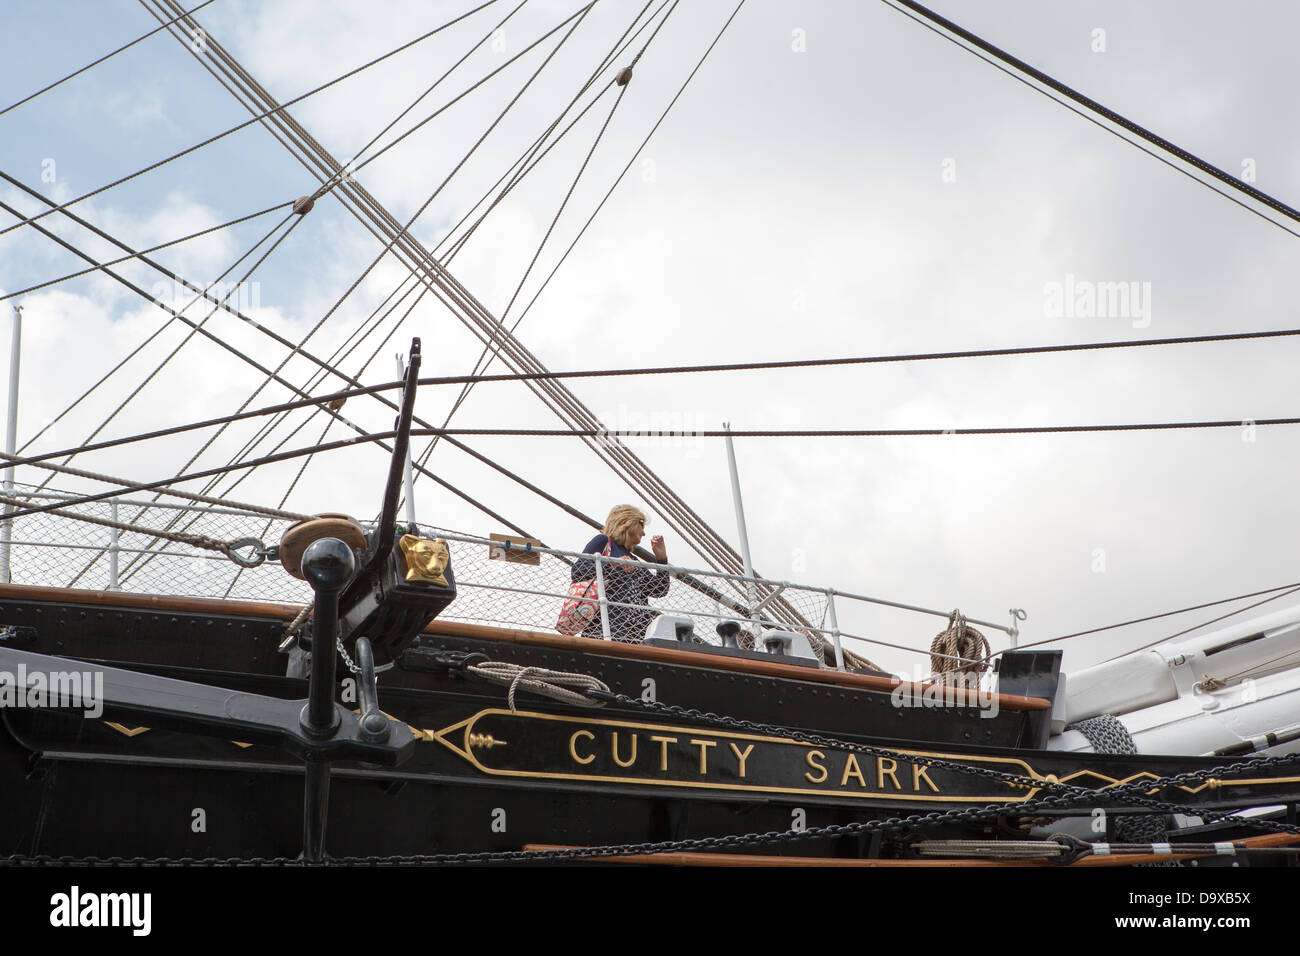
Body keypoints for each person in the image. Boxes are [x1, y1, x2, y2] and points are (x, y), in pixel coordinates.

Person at [571, 505, 670, 643]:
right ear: (627, 522)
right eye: (641, 525)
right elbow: (578, 571)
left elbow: (659, 589)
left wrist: (661, 559)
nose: (644, 533)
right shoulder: (603, 542)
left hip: (637, 633)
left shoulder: (633, 560)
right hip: (606, 629)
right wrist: (613, 563)